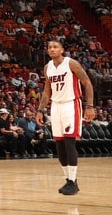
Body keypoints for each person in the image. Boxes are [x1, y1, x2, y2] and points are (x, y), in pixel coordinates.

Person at [36, 38, 96, 195]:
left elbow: (87, 83)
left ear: (62, 50)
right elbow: (47, 91)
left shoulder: (71, 63)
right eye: (49, 47)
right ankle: (69, 180)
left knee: (70, 142)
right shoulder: (47, 67)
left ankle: (73, 181)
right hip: (56, 106)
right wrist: (40, 110)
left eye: (55, 47)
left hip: (71, 104)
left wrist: (89, 106)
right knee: (59, 145)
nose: (52, 49)